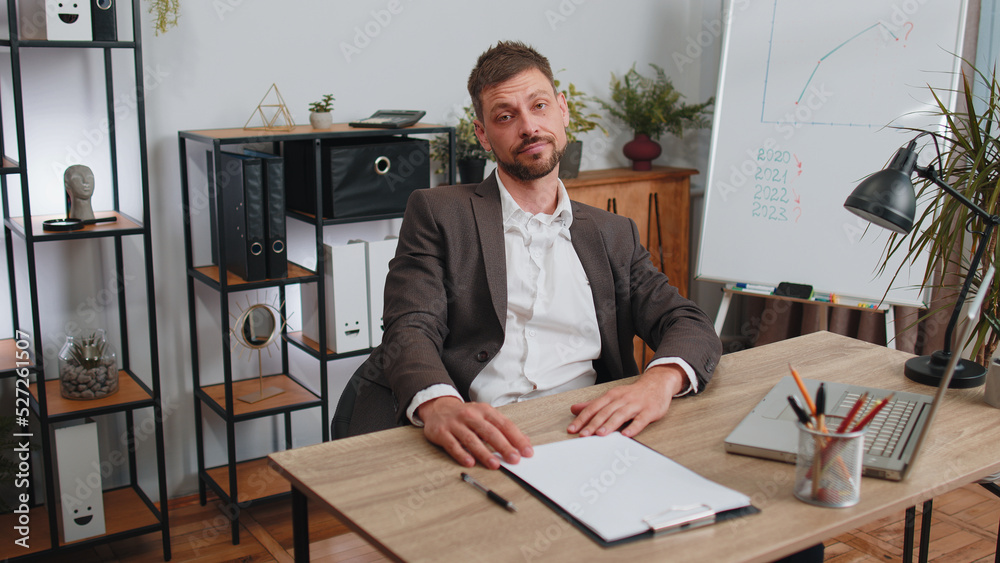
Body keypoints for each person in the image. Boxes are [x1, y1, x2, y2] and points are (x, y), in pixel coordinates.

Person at [345, 40, 721, 471]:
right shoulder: (438, 212)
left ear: (563, 111)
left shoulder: (613, 233)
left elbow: (686, 322)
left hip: (586, 431)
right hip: (479, 433)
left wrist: (658, 381)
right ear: (483, 135)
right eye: (506, 116)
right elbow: (410, 326)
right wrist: (441, 405)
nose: (528, 127)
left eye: (539, 106)